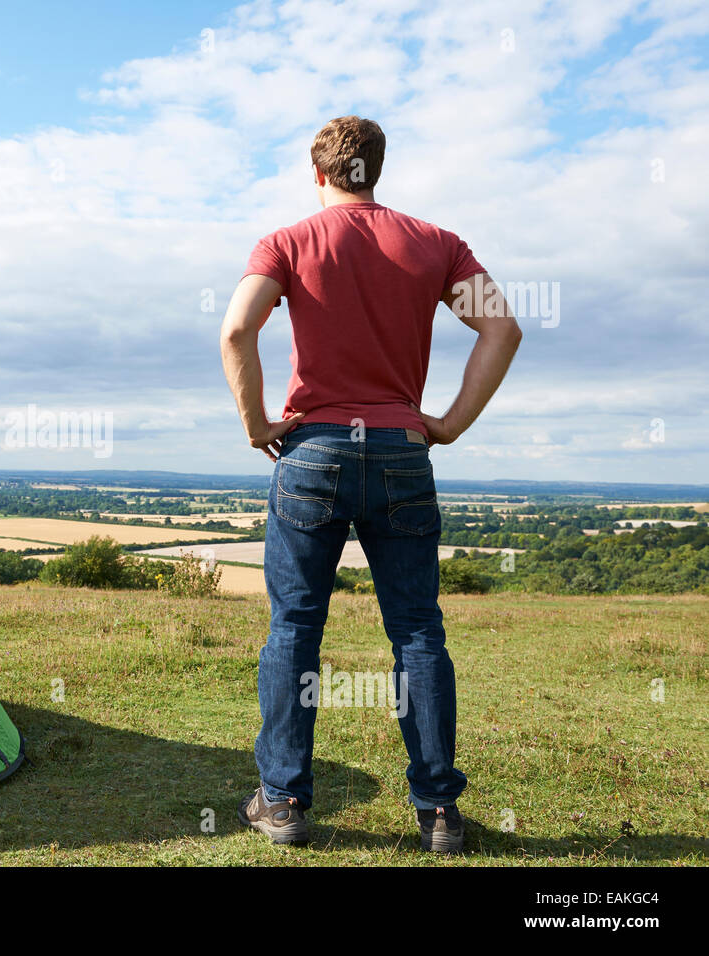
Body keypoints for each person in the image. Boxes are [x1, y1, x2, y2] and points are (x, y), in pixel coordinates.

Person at [219, 116, 522, 853]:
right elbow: (503, 329)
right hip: (400, 453)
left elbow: (235, 330)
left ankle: (283, 801)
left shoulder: (286, 242)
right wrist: (447, 424)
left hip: (312, 452)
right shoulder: (436, 243)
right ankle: (439, 810)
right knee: (417, 629)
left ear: (317, 172)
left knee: (295, 627)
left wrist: (257, 423)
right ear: (375, 170)